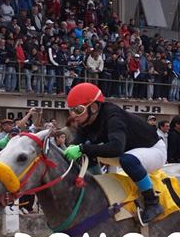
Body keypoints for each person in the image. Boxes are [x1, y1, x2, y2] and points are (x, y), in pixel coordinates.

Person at [62, 82, 166, 224]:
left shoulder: (113, 116)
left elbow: (116, 148)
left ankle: (152, 202)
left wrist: (82, 149)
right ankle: (98, 190)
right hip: (128, 151)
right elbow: (75, 146)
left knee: (126, 160)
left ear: (93, 107)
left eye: (78, 110)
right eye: (71, 110)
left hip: (153, 150)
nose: (74, 115)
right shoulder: (85, 122)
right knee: (87, 151)